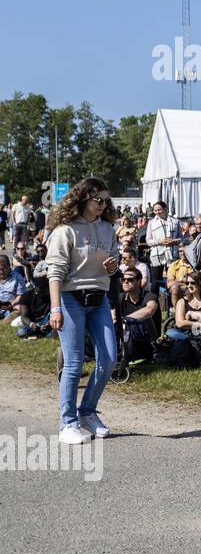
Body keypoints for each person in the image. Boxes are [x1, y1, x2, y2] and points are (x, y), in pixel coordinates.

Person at [45, 178, 119, 445]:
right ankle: (68, 423)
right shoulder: (65, 231)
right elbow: (54, 272)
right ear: (83, 199)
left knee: (109, 358)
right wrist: (55, 308)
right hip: (69, 298)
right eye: (97, 200)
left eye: (105, 200)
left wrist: (112, 266)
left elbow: (114, 263)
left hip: (99, 299)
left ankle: (87, 412)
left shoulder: (109, 229)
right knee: (74, 363)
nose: (102, 205)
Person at [167, 271, 201, 342]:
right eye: (187, 283)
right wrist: (199, 324)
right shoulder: (182, 301)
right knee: (171, 333)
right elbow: (180, 323)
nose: (189, 286)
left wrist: (192, 314)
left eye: (193, 283)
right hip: (186, 334)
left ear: (200, 283)